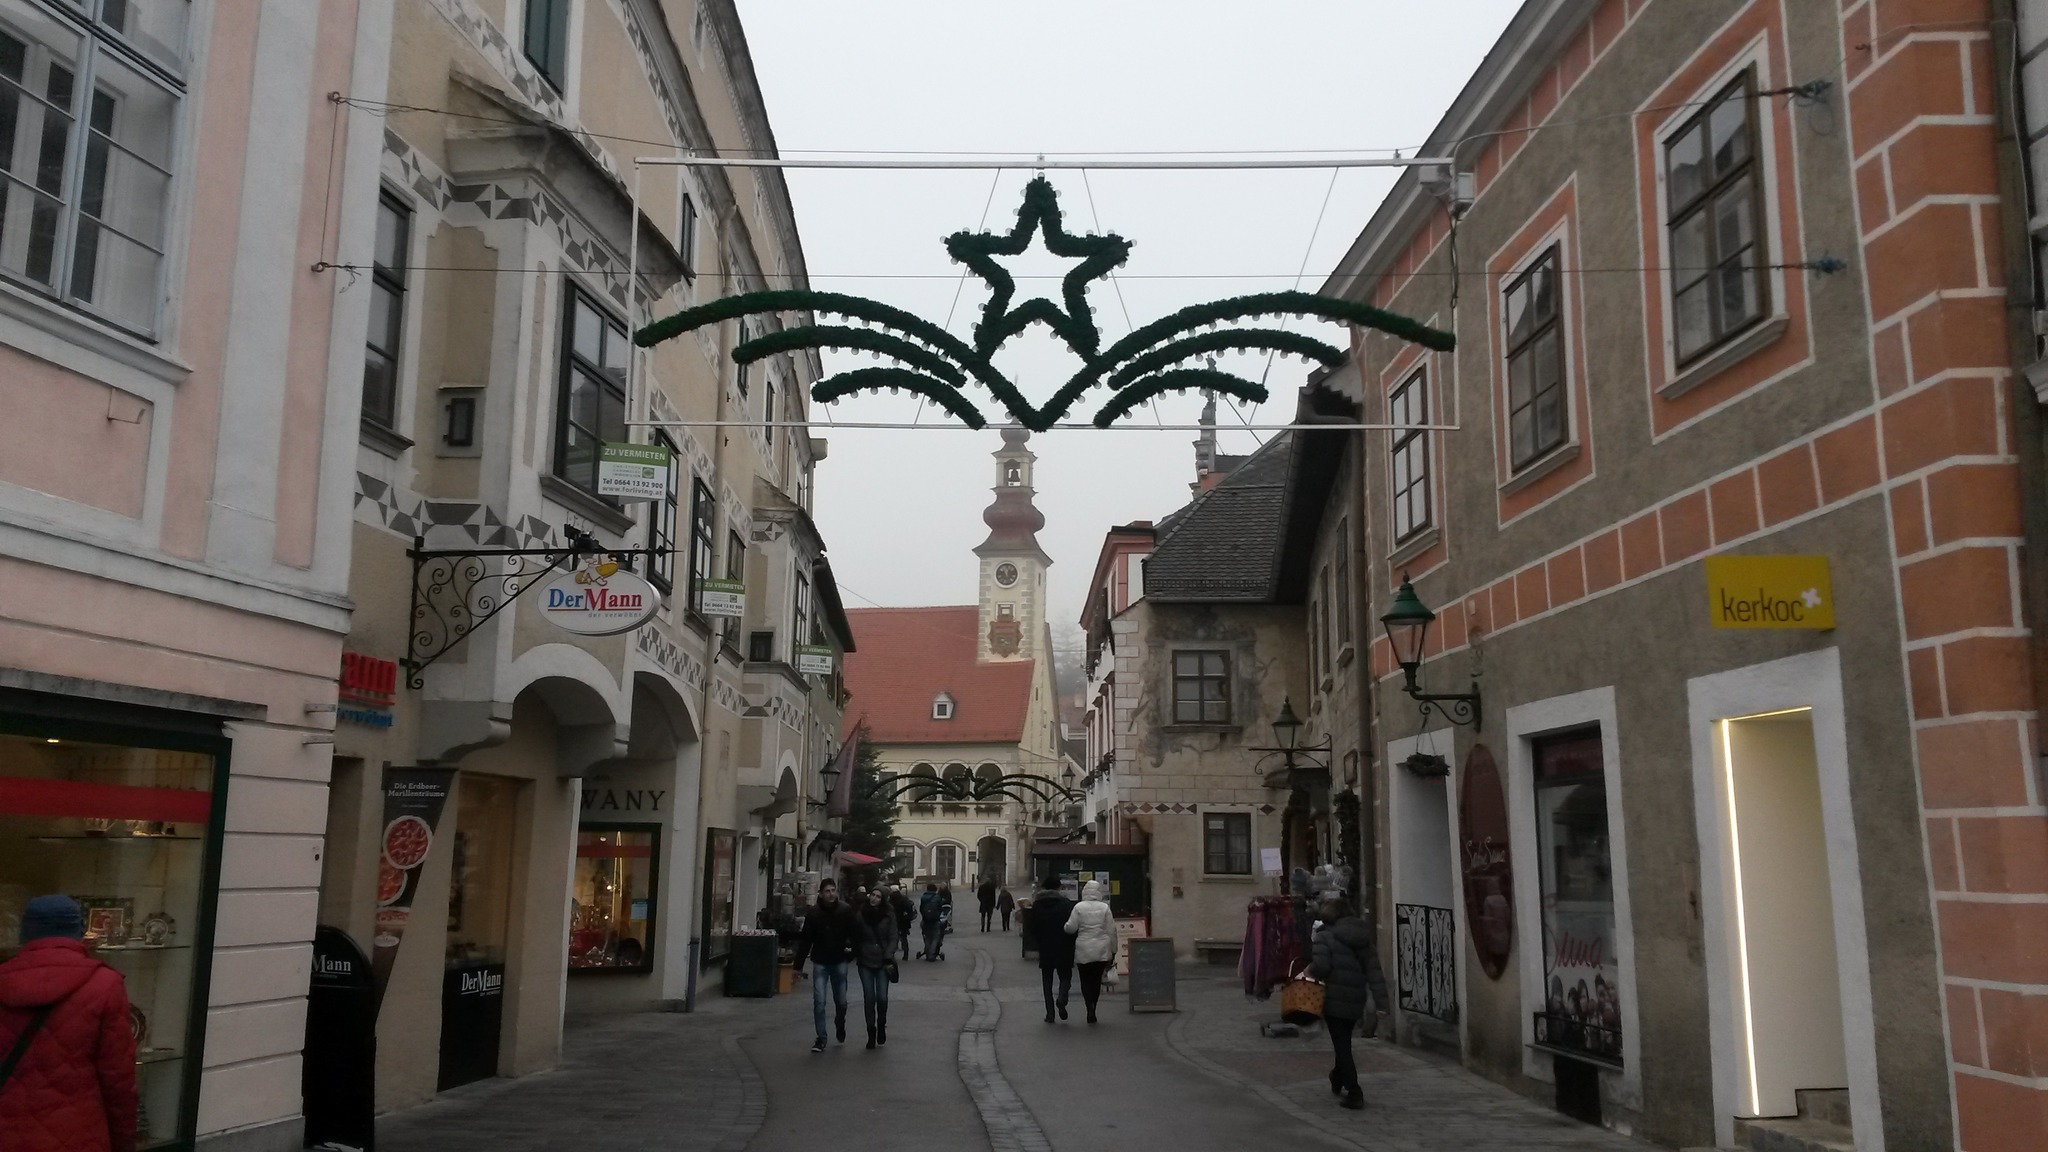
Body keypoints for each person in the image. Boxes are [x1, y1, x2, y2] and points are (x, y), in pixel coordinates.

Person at [0, 895, 138, 1152]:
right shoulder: (105, 985)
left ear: (25, 933)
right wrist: (123, 1141)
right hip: (79, 1136)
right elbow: (118, 1082)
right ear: (77, 931)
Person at [1308, 897, 1390, 1111]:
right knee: (1343, 1040)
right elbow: (1374, 972)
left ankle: (1354, 1092)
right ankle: (1337, 1076)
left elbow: (1322, 966)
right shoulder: (1363, 938)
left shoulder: (1324, 937)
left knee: (1342, 1044)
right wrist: (1382, 1004)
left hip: (1333, 997)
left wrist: (1310, 971)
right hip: (1355, 1000)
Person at [792, 879, 862, 1053]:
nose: (831, 894)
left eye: (833, 890)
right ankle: (821, 1037)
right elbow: (806, 940)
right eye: (827, 891)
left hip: (839, 960)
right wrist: (798, 966)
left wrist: (852, 953)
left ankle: (840, 1022)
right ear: (821, 894)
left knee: (841, 1001)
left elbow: (855, 934)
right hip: (821, 961)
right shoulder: (814, 914)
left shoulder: (845, 910)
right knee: (819, 1001)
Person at [1024, 876, 1075, 1023]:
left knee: (1047, 982)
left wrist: (1040, 940)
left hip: (1045, 947)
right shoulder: (1065, 904)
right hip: (1063, 946)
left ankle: (1050, 1014)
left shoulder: (1037, 905)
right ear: (1058, 888)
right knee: (1065, 976)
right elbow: (1071, 925)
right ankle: (1062, 997)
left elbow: (1032, 927)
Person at [1064, 881, 1116, 1024]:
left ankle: (1089, 1006)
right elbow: (1112, 930)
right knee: (1096, 980)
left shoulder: (1078, 907)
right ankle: (1094, 1004)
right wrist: (1114, 950)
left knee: (1085, 980)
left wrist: (1065, 926)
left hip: (1084, 948)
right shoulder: (1105, 907)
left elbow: (1071, 928)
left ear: (1085, 891)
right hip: (1101, 948)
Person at [854, 890, 898, 1050]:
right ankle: (870, 1031)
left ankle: (881, 1024)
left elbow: (894, 937)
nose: (874, 898)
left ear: (883, 900)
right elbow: (855, 935)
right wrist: (854, 949)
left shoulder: (889, 914)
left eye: (878, 896)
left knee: (882, 997)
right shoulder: (861, 914)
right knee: (869, 997)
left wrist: (888, 954)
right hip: (865, 960)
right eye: (872, 895)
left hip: (883, 961)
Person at [918, 883, 944, 961]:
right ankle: (932, 954)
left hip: (925, 920)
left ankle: (927, 952)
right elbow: (940, 908)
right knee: (935, 937)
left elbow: (921, 908)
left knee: (927, 937)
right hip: (935, 920)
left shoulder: (923, 897)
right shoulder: (937, 897)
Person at [888, 885, 915, 960]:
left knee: (893, 938)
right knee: (904, 938)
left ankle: (891, 954)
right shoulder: (904, 898)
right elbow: (909, 909)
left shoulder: (890, 899)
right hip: (904, 921)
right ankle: (906, 954)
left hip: (894, 921)